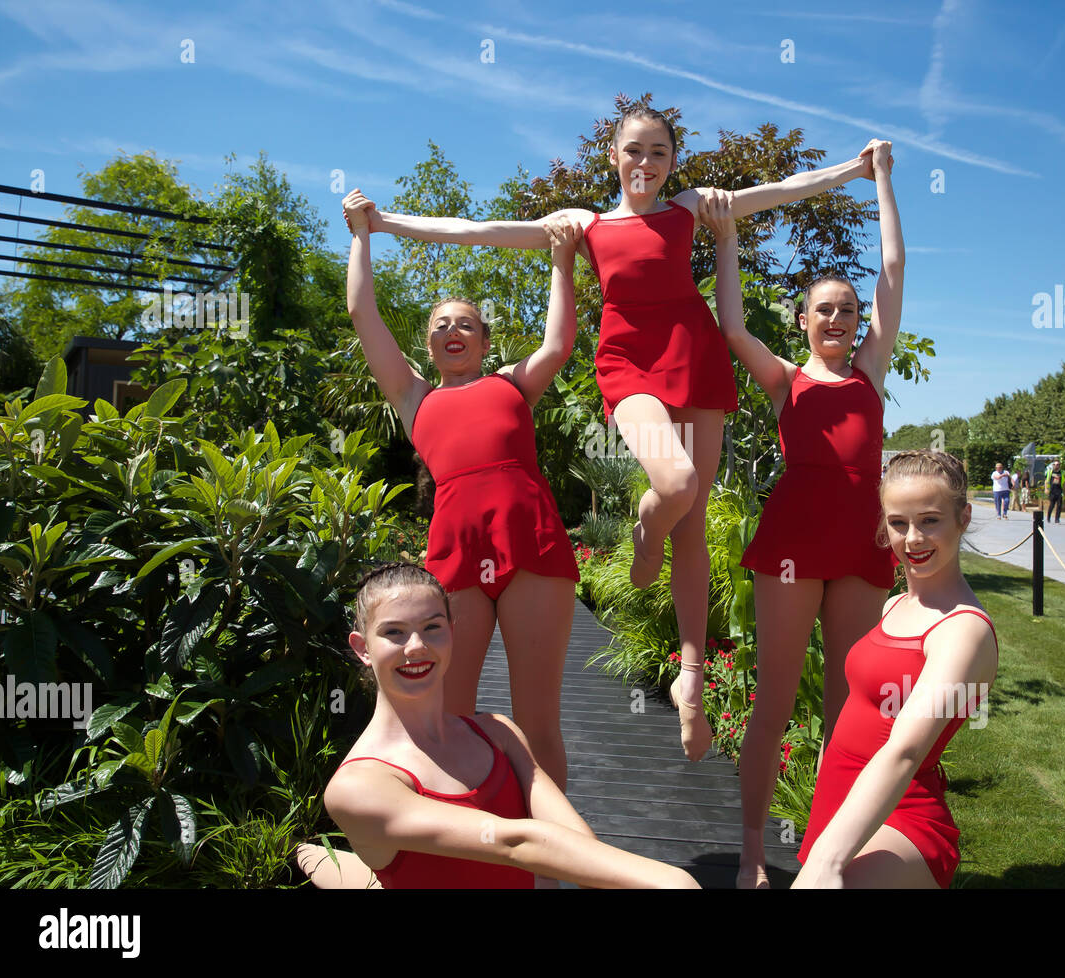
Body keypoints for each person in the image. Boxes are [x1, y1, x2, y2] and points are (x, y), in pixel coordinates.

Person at [348, 104, 887, 763]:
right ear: (614, 155)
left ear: (673, 160)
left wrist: (852, 171)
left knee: (692, 524)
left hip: (695, 354)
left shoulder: (690, 208)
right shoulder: (587, 225)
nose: (646, 163)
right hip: (628, 363)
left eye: (659, 152)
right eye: (634, 150)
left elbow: (777, 191)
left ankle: (691, 676)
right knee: (677, 482)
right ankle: (645, 531)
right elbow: (479, 232)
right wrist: (386, 223)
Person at [698, 137, 902, 887]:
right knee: (775, 701)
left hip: (860, 544)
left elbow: (892, 270)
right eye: (824, 310)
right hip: (792, 542)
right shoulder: (788, 381)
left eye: (848, 310)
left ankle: (828, 852)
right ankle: (754, 851)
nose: (838, 319)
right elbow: (731, 327)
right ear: (805, 320)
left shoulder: (871, 371)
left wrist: (881, 179)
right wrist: (726, 237)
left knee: (851, 710)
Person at [343, 194, 580, 789]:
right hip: (455, 556)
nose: (453, 330)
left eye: (466, 324)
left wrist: (561, 258)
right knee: (449, 716)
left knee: (537, 722)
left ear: (484, 341)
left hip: (531, 546)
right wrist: (362, 235)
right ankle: (468, 831)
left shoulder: (511, 384)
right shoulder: (414, 398)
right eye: (441, 325)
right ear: (428, 346)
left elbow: (557, 345)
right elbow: (362, 314)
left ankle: (552, 844)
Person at [318, 562, 699, 888]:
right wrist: (675, 880)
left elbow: (579, 845)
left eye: (432, 627)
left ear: (452, 632)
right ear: (362, 648)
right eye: (393, 632)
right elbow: (514, 843)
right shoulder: (358, 786)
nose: (416, 646)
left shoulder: (496, 733)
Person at [792, 451, 998, 889]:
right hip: (844, 799)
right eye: (899, 523)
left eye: (930, 520)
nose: (913, 538)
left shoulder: (963, 630)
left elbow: (904, 750)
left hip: (901, 812)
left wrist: (828, 860)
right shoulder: (894, 605)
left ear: (963, 518)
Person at [1044, 459, 1063, 524]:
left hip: (1059, 490)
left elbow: (1064, 482)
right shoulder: (1050, 472)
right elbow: (1046, 481)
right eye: (1055, 464)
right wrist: (1046, 489)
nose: (1056, 466)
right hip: (1052, 490)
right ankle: (1048, 517)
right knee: (1052, 505)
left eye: (1058, 464)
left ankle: (1057, 519)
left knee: (1059, 505)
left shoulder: (1062, 473)